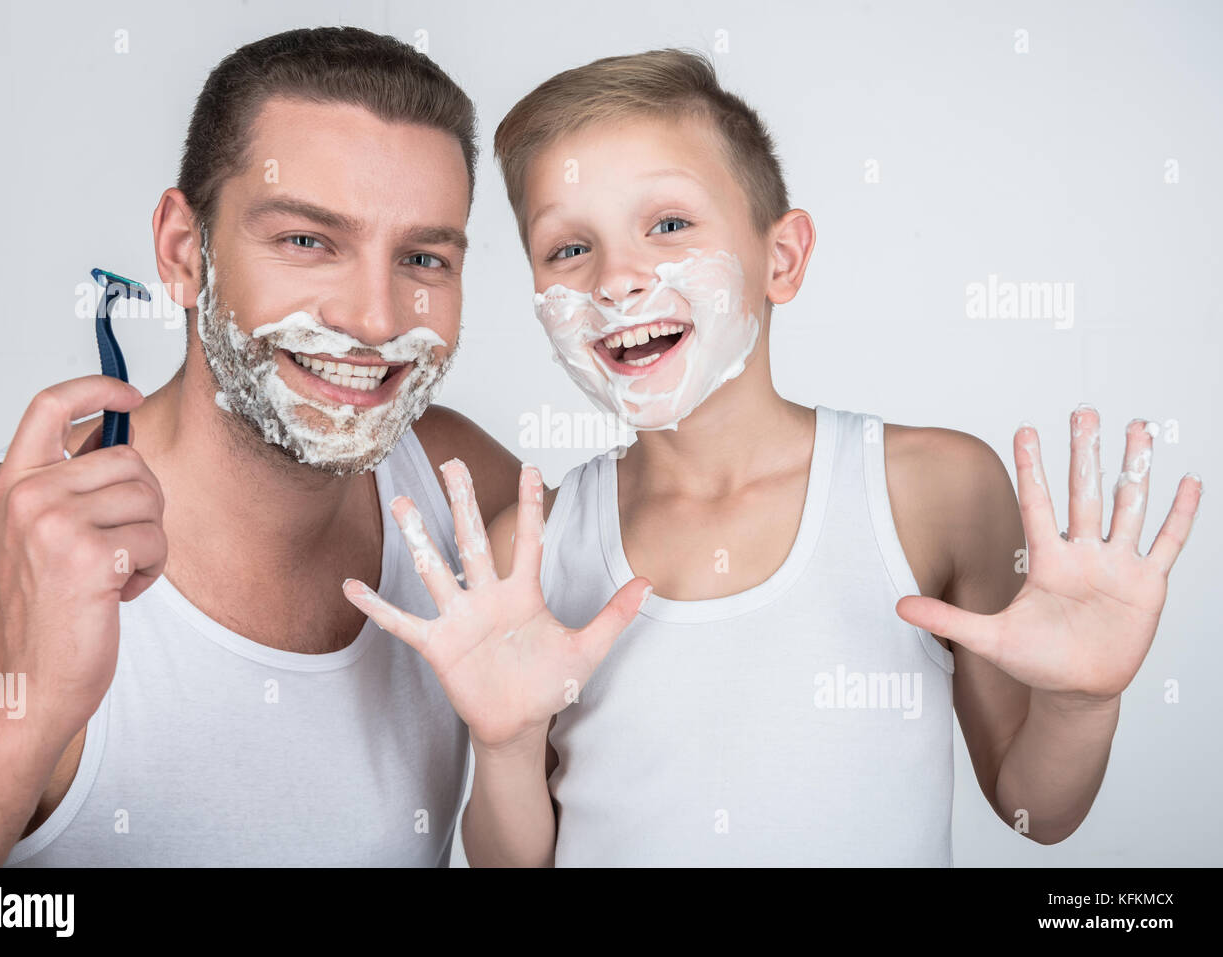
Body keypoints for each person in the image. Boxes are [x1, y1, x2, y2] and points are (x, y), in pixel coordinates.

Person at [346, 49, 1203, 866]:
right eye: (569, 248)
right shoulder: (527, 552)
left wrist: (1081, 702)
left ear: (781, 258)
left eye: (669, 224)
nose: (616, 279)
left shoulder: (932, 491)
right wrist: (504, 741)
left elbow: (1037, 810)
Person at [0, 26, 522, 867]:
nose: (376, 321)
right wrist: (20, 703)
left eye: (424, 257)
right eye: (308, 241)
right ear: (182, 250)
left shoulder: (470, 498)